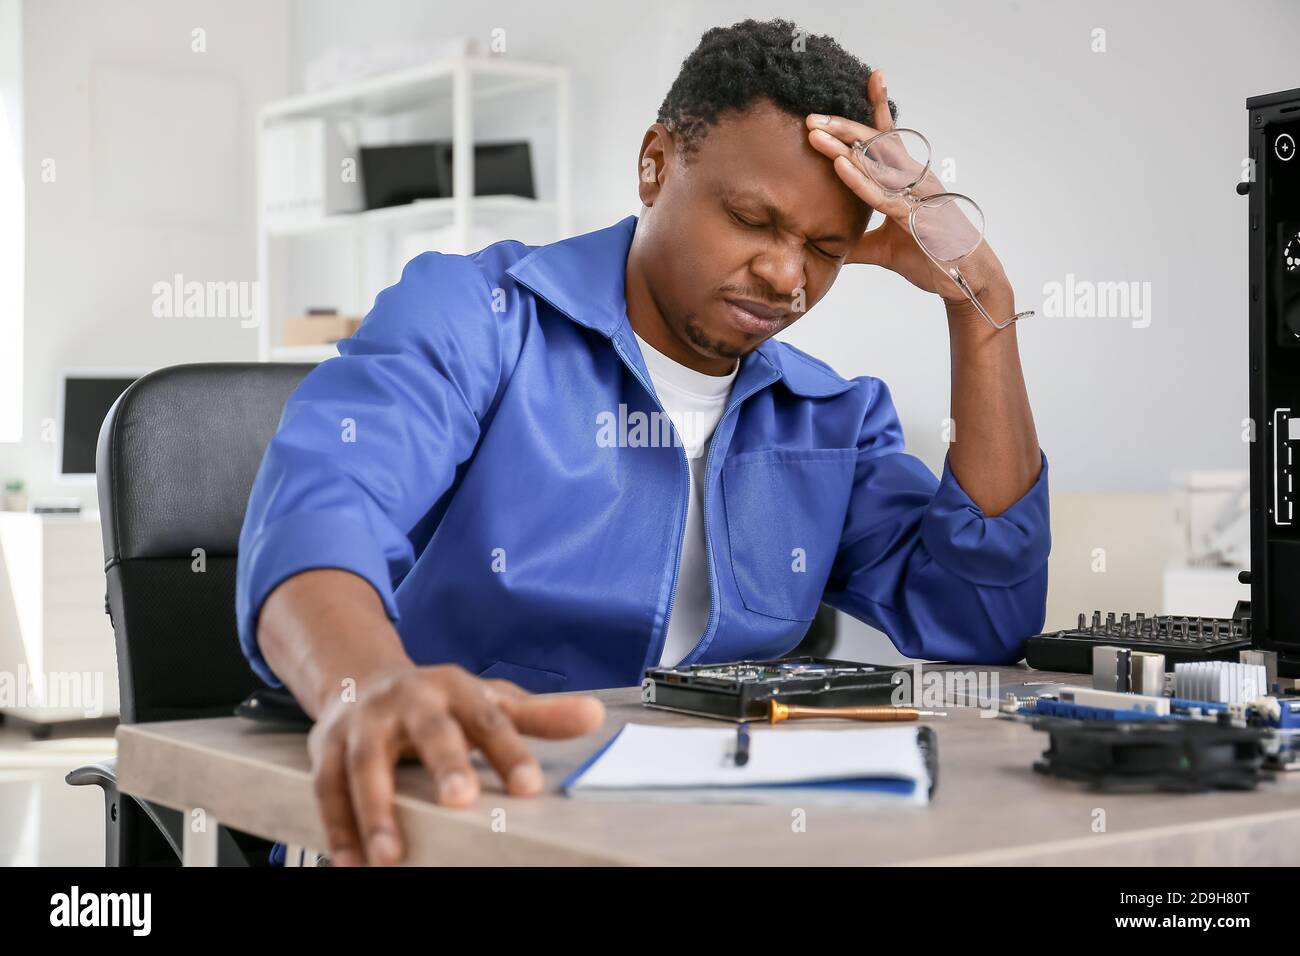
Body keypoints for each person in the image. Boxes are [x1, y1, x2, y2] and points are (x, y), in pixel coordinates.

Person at [236, 17, 1050, 866]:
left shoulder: (827, 416)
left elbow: (981, 620)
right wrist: (370, 687)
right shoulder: (476, 317)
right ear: (655, 164)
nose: (785, 275)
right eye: (750, 218)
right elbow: (319, 515)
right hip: (452, 812)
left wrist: (978, 298)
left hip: (704, 835)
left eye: (823, 248)